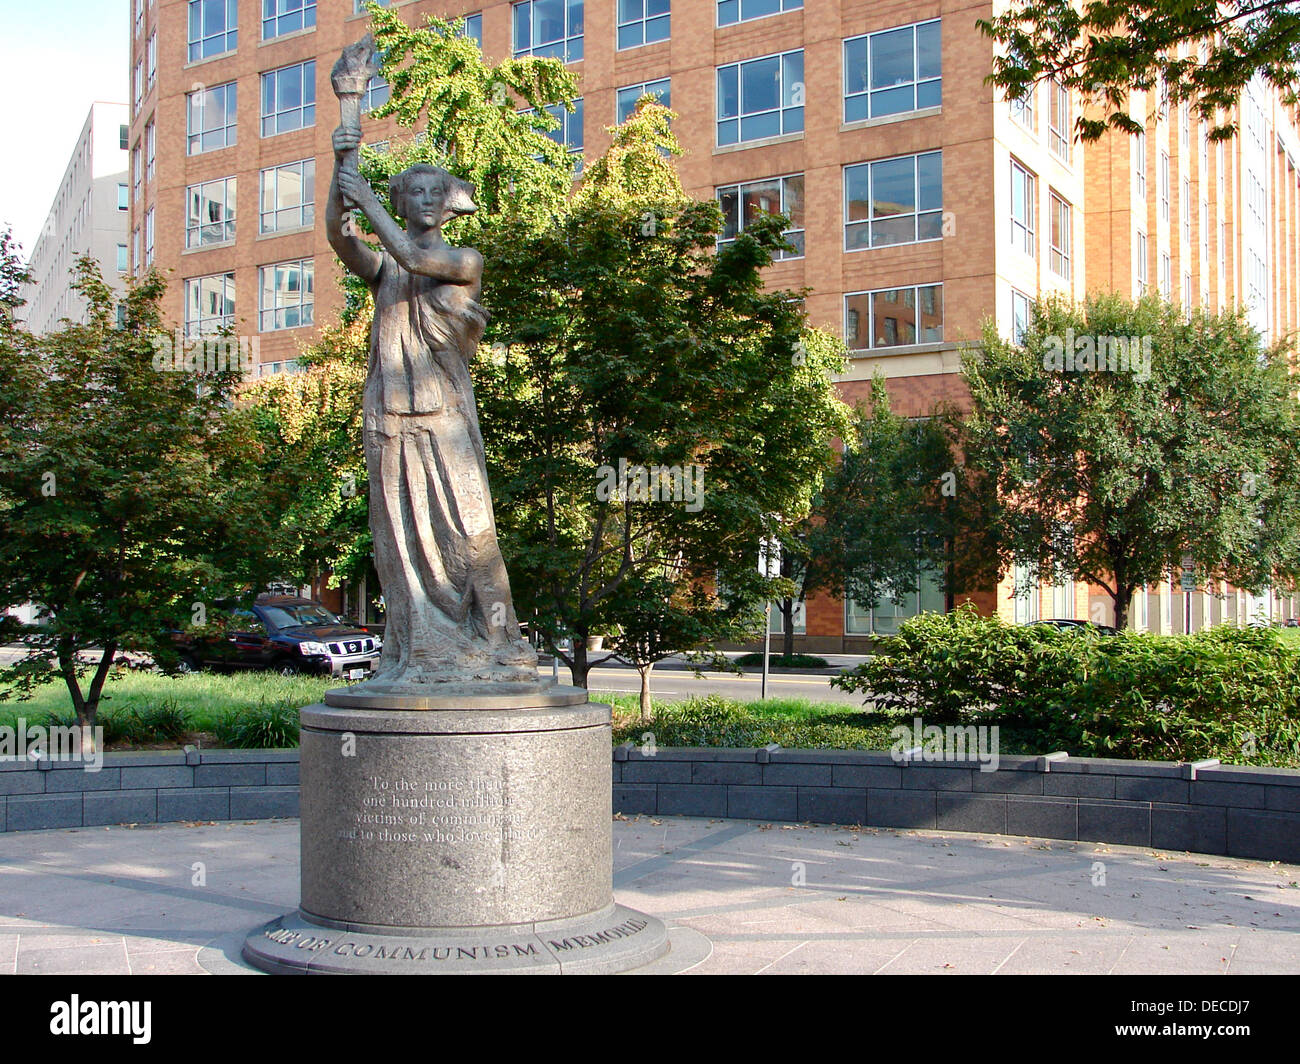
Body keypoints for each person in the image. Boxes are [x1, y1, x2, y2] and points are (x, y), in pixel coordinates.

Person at [326, 124, 537, 687]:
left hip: (444, 412)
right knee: (397, 531)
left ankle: (501, 641)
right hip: (391, 412)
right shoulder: (386, 269)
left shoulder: (465, 260)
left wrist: (366, 196)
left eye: (432, 192)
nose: (423, 201)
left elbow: (412, 257)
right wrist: (342, 160)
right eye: (411, 192)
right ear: (400, 201)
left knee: (471, 529)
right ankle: (418, 646)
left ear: (450, 205)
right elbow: (342, 239)